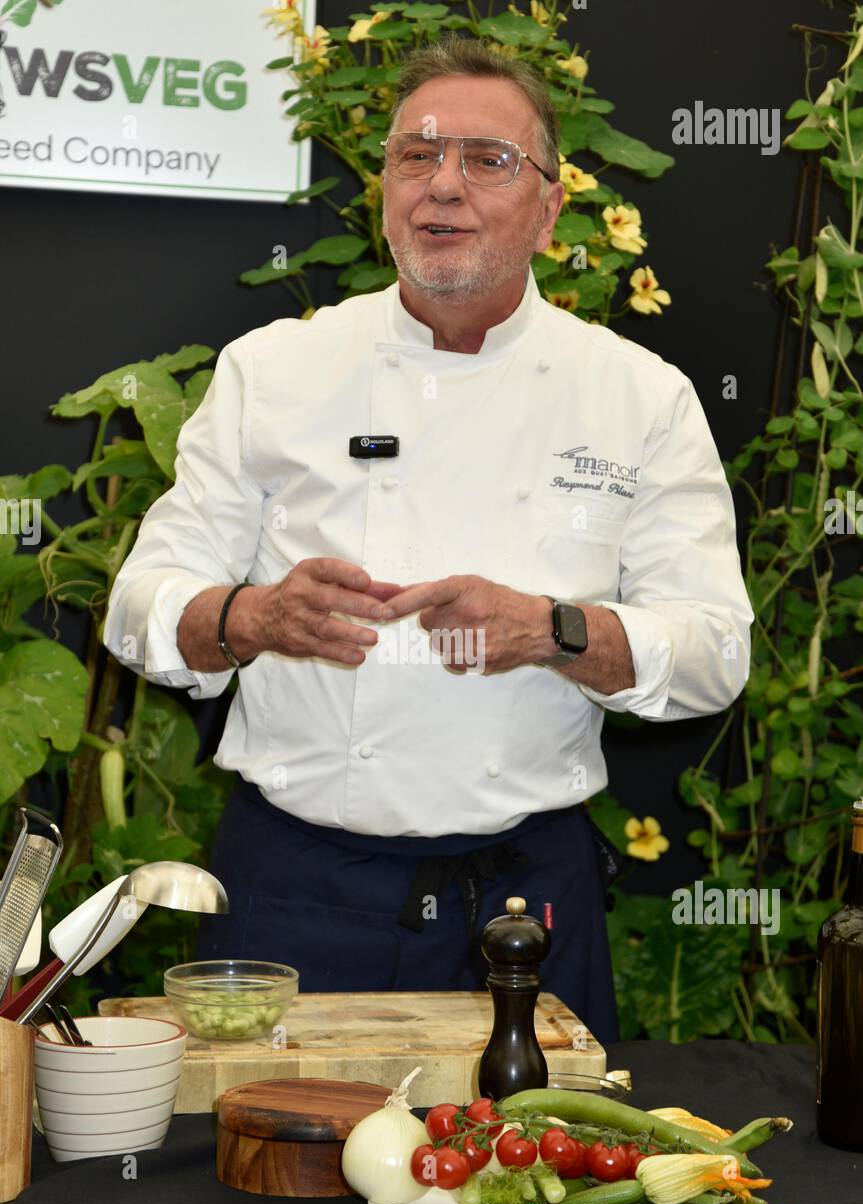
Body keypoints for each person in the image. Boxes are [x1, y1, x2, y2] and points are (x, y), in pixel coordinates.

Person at [103, 37, 754, 1044]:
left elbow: (714, 651)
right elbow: (138, 607)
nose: (440, 186)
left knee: (528, 1182)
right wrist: (254, 615)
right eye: (416, 155)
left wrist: (552, 629)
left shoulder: (634, 395)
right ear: (383, 189)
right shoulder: (272, 370)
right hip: (296, 890)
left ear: (547, 207)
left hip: (522, 896)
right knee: (264, 1187)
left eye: (486, 160)